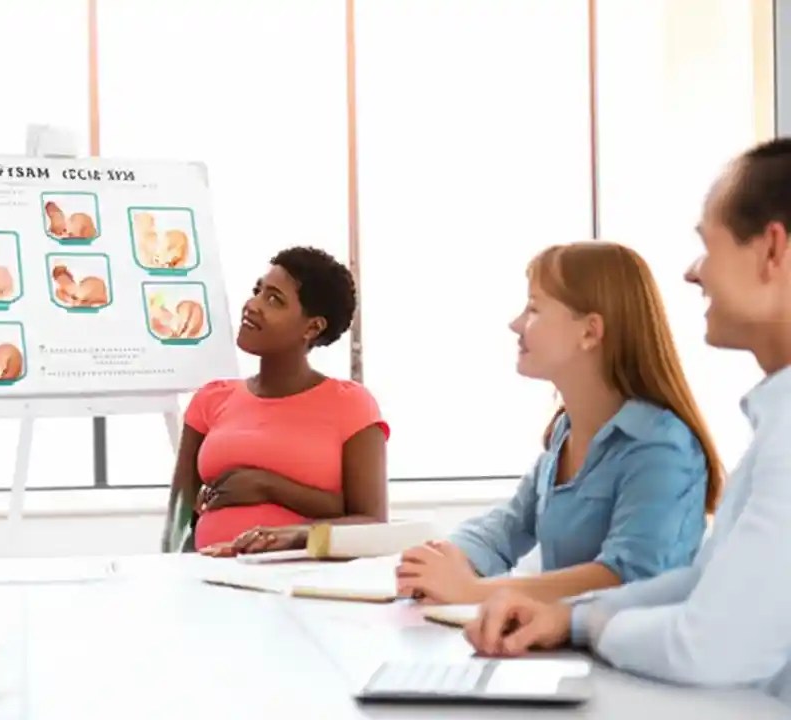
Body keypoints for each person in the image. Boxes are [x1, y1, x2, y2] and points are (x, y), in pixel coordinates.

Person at [464, 139, 791, 703]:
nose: (693, 273)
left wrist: (587, 625)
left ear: (771, 251)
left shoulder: (689, 442)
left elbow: (708, 642)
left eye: (705, 246)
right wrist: (565, 618)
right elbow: (703, 589)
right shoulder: (773, 425)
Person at [391, 241, 722, 605]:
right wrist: (442, 558)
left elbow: (628, 578)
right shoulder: (566, 432)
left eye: (533, 308)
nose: (516, 324)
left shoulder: (662, 446)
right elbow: (509, 526)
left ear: (590, 332)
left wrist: (472, 591)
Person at [162, 246, 390, 554]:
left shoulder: (351, 405)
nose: (253, 305)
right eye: (257, 291)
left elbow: (372, 523)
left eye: (274, 300)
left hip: (304, 587)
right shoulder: (212, 398)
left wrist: (267, 486)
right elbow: (178, 516)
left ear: (312, 327)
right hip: (209, 581)